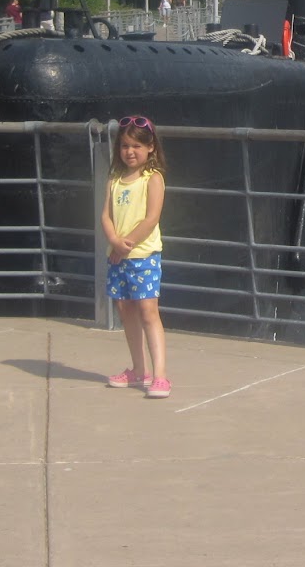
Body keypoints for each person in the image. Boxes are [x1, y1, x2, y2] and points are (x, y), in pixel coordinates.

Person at [101, 115, 170, 398]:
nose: (130, 152)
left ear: (150, 147)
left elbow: (151, 218)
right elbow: (106, 215)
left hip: (143, 256)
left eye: (136, 146)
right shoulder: (115, 179)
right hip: (118, 257)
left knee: (147, 311)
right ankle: (138, 370)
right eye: (125, 146)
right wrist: (114, 242)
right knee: (124, 309)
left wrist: (124, 245)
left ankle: (160, 375)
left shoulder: (152, 179)